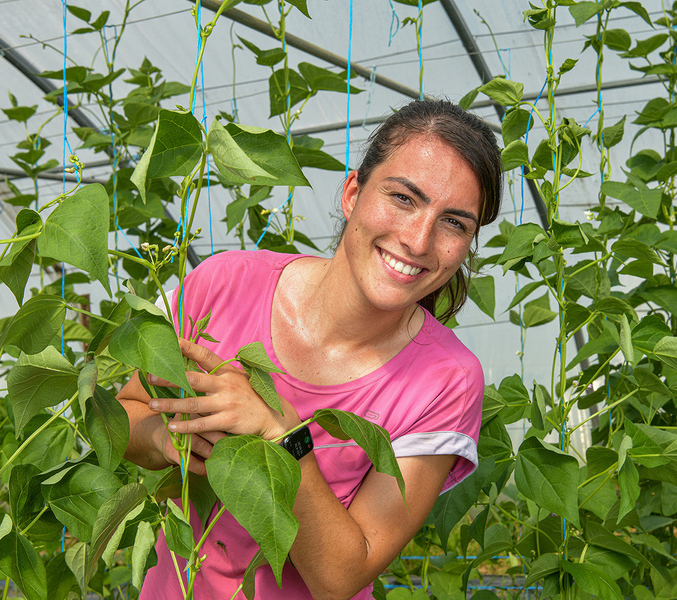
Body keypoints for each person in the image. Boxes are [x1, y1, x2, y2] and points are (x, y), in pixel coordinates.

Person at [118, 98, 504, 600]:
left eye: (455, 223)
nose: (418, 238)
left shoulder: (446, 379)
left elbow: (342, 576)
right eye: (404, 198)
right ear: (352, 193)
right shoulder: (224, 283)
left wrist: (280, 438)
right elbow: (126, 415)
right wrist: (167, 440)